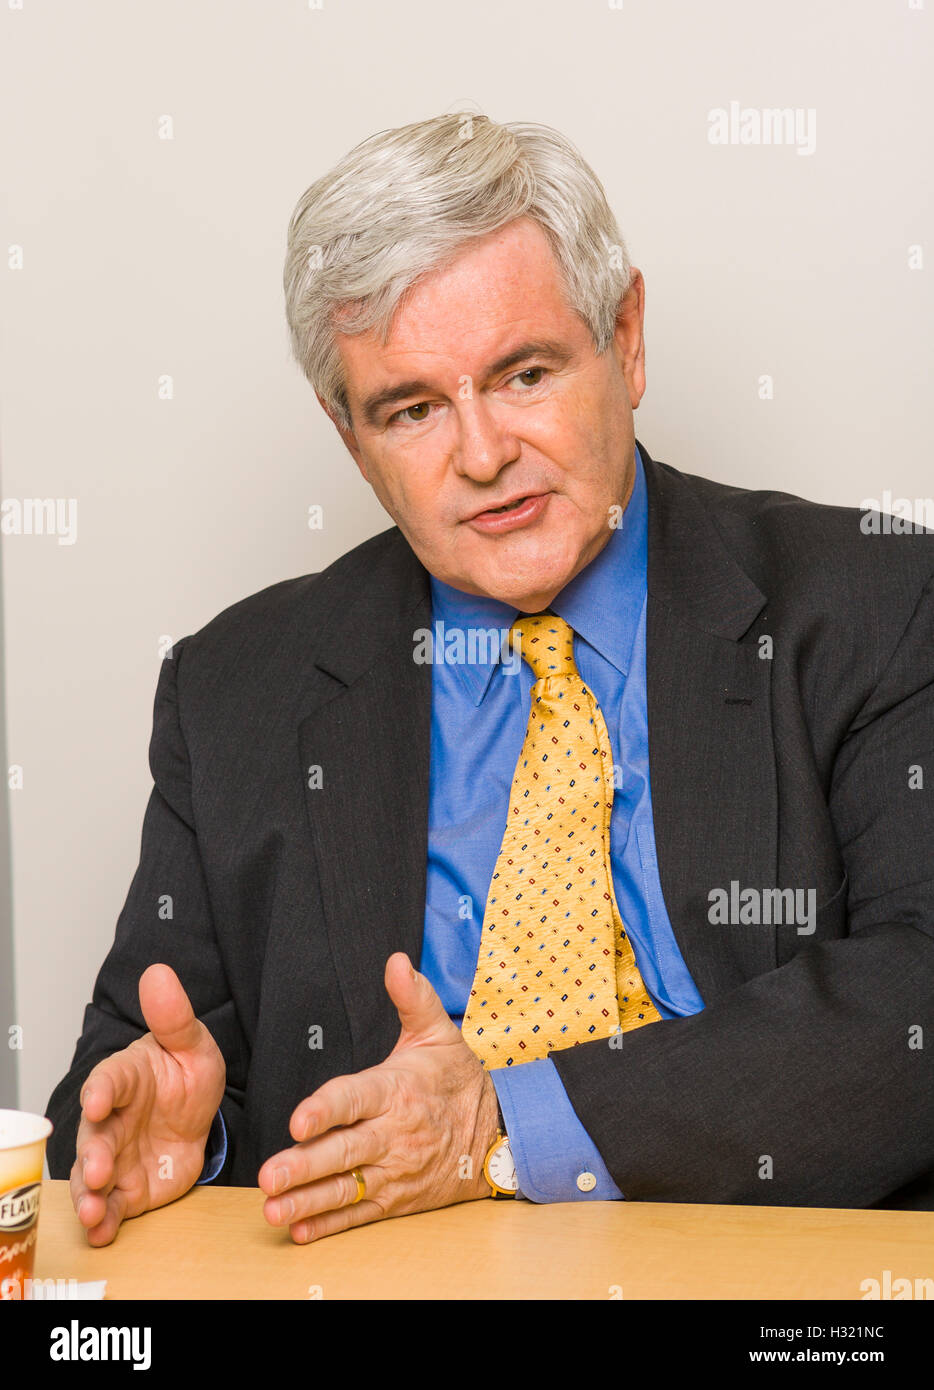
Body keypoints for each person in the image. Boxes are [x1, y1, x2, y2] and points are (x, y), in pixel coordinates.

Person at [46, 112, 934, 1247]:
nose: (482, 456)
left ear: (626, 340)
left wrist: (502, 1128)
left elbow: (915, 997)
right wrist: (197, 1135)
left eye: (524, 374)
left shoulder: (875, 601)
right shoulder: (233, 690)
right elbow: (128, 1080)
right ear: (348, 435)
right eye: (412, 408)